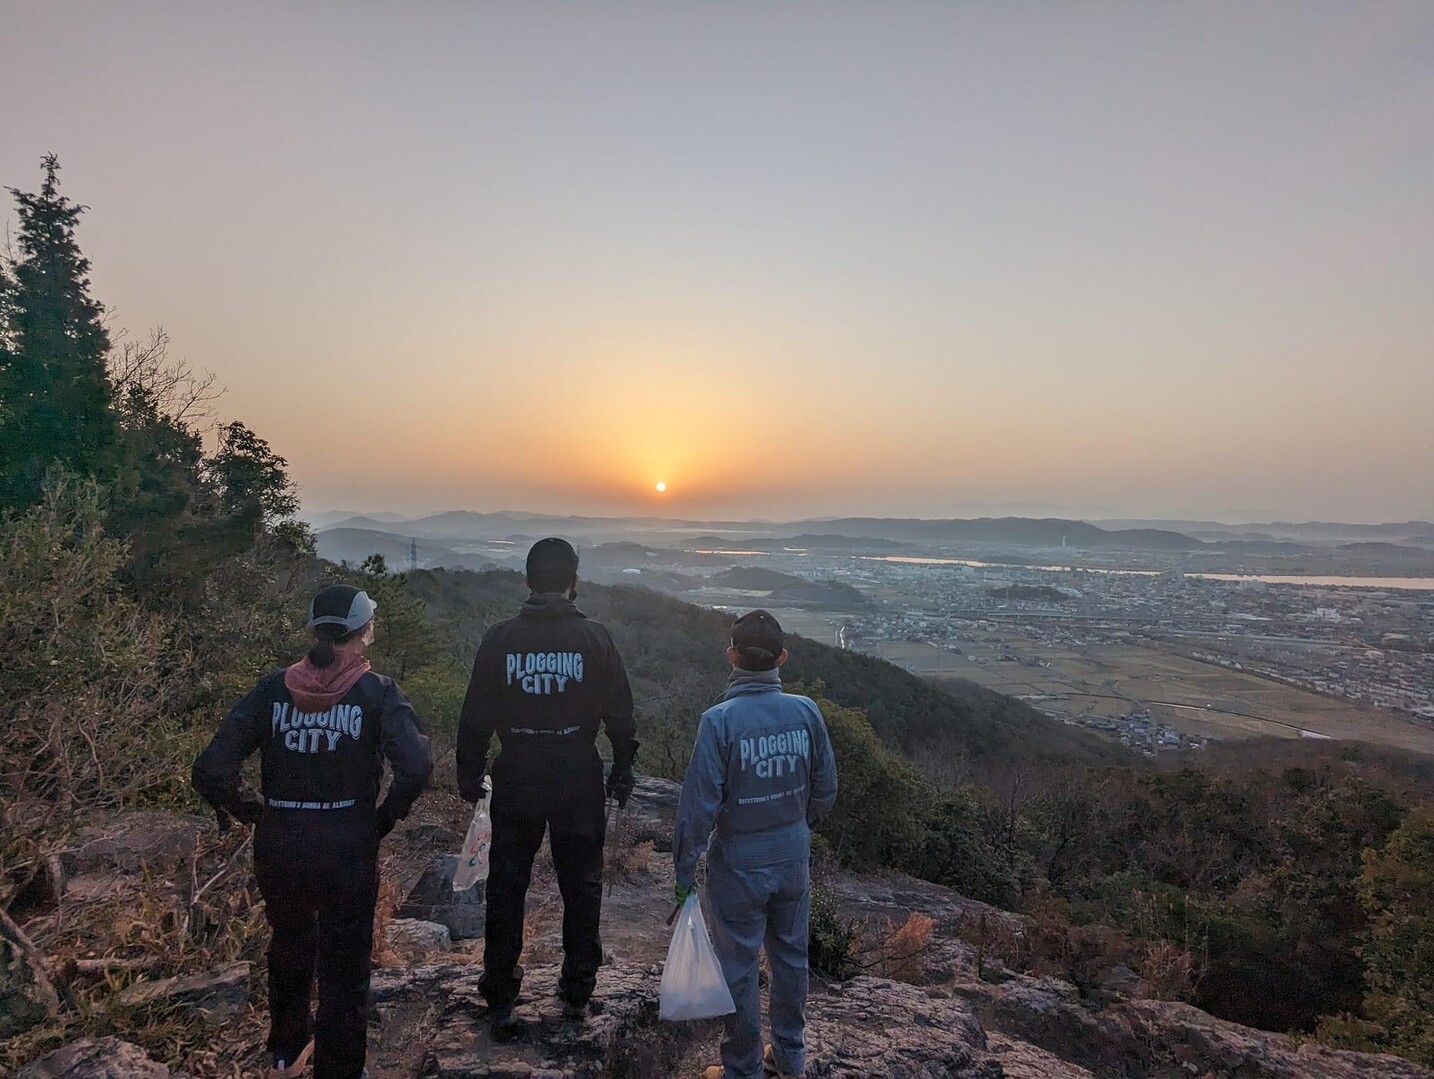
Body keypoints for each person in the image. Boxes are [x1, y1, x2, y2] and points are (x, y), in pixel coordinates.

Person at [193, 585, 433, 1079]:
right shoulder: (377, 692)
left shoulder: (272, 690)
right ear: (363, 633)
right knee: (345, 964)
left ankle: (286, 1053)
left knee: (289, 946)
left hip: (282, 841)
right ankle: (339, 1069)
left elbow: (211, 768)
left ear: (315, 631)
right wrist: (383, 818)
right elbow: (417, 765)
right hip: (347, 841)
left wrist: (254, 811)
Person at [457, 537, 637, 1027]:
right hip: (577, 771)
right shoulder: (595, 639)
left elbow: (475, 714)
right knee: (581, 883)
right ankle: (578, 985)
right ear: (573, 582)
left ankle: (499, 987)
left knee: (508, 880)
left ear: (528, 581)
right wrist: (622, 769)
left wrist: (469, 772)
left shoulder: (500, 639)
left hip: (517, 769)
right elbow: (620, 713)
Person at [674, 610, 839, 1079]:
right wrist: (795, 827)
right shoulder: (806, 712)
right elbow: (826, 789)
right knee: (792, 958)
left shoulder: (718, 722)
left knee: (738, 966)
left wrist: (683, 874)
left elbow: (698, 808)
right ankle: (790, 1059)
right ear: (781, 658)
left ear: (732, 655)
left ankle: (743, 1068)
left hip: (738, 865)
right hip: (792, 859)